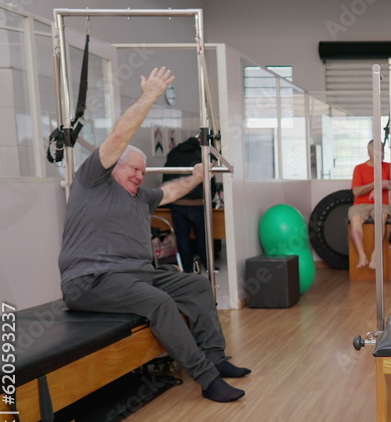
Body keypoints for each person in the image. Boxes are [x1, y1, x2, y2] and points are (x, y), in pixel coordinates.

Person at [58, 67, 250, 403]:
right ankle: (206, 379)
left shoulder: (139, 197)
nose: (138, 176)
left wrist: (195, 178)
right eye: (133, 169)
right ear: (114, 165)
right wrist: (149, 97)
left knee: (197, 284)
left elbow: (169, 192)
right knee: (159, 302)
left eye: (142, 172)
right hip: (91, 279)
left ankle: (216, 357)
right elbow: (118, 137)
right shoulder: (92, 181)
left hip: (137, 276)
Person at [161, 136, 215, 273]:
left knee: (182, 238)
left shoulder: (173, 153)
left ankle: (187, 269)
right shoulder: (202, 154)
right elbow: (210, 180)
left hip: (178, 203)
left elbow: (166, 178)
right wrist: (210, 197)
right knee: (203, 236)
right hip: (198, 203)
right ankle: (209, 267)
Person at [349, 140, 391, 269]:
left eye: (382, 151)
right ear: (369, 152)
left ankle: (375, 256)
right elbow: (356, 191)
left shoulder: (388, 167)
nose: (381, 154)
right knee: (355, 220)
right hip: (361, 204)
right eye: (378, 152)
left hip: (381, 203)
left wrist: (387, 182)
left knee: (381, 218)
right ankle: (362, 256)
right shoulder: (359, 168)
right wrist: (376, 183)